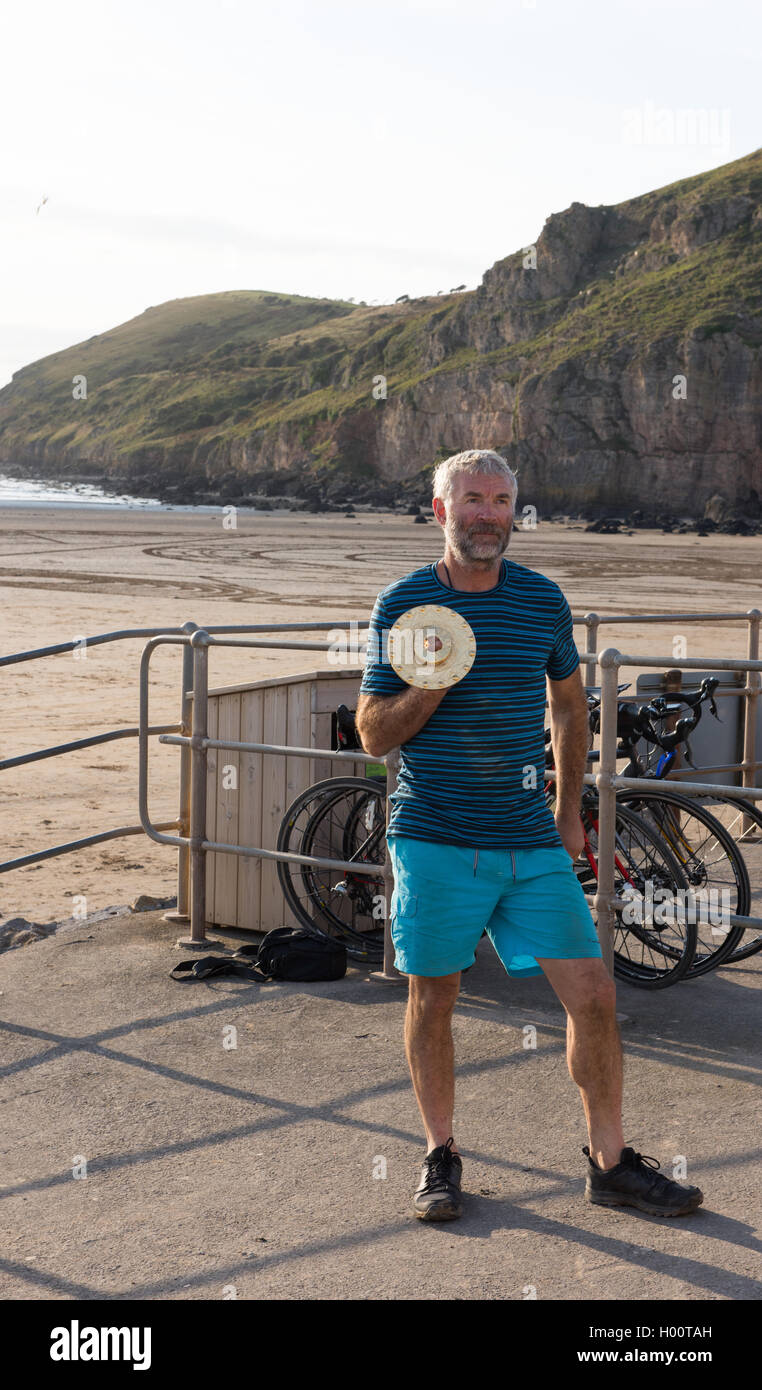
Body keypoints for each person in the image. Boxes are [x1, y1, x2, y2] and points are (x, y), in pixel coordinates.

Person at [355, 449, 703, 1221]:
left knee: (596, 997)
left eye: (501, 500)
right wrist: (430, 684)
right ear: (441, 510)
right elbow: (374, 735)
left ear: (516, 511)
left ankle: (609, 1166)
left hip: (531, 840)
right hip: (436, 835)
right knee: (434, 997)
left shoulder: (542, 601)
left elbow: (571, 707)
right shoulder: (405, 605)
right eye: (472, 499)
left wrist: (570, 810)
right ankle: (439, 1156)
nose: (488, 514)